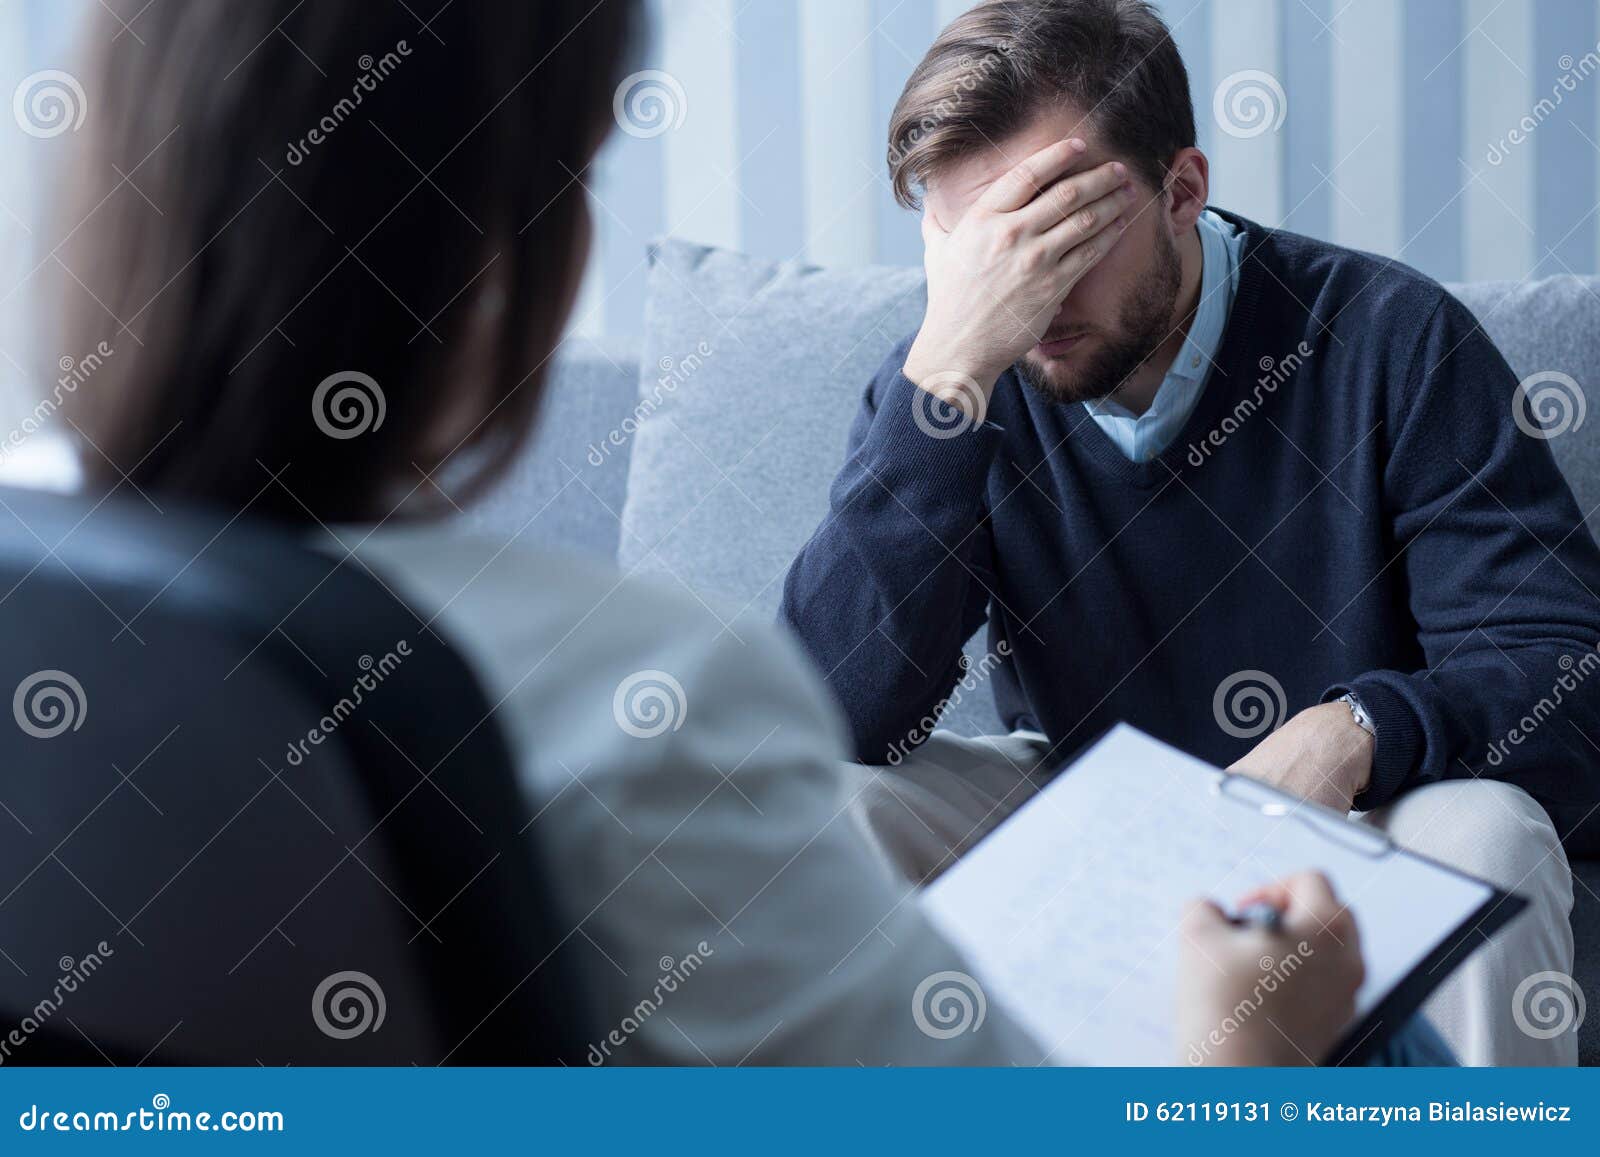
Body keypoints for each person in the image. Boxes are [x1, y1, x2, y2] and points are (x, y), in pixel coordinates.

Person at [22, 0, 1421, 1066]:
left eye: (1060, 235)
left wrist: (1366, 722)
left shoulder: (49, 609)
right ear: (522, 239)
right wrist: (1240, 1054)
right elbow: (847, 729)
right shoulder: (658, 694)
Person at [779, 0, 1593, 1065]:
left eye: (1061, 230)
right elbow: (827, 720)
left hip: (1354, 825)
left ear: (1181, 190)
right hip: (1084, 807)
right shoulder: (954, 377)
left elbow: (1564, 671)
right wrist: (948, 381)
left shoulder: (1391, 337)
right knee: (832, 809)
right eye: (988, 249)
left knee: (1488, 834)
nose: (1028, 293)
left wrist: (1356, 729)